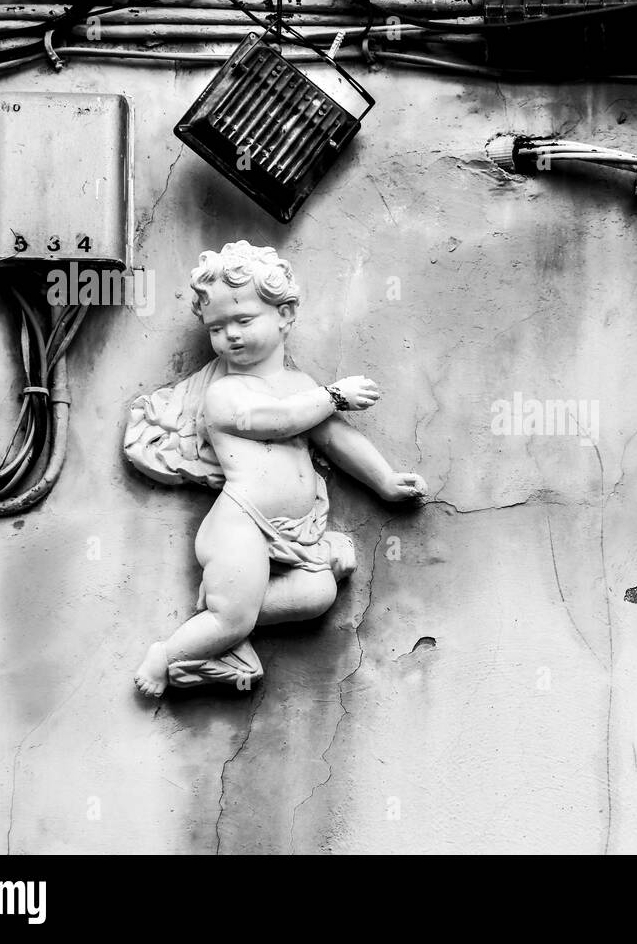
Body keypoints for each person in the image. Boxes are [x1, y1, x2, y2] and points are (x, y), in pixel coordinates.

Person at [129, 241, 426, 697]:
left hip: (292, 530)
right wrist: (334, 395)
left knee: (317, 595)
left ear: (285, 314)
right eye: (216, 327)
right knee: (234, 616)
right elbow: (277, 420)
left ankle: (228, 622)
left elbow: (337, 439)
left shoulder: (300, 386)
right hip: (239, 524)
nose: (230, 334)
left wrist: (384, 480)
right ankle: (168, 655)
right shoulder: (225, 394)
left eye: (243, 320)